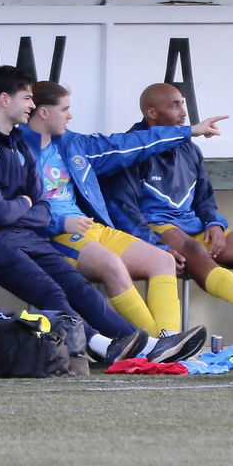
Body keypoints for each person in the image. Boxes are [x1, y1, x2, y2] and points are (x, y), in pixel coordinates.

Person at [0, 66, 204, 364]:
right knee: (51, 291)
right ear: (5, 100)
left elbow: (41, 210)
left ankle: (146, 345)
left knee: (78, 287)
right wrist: (24, 204)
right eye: (27, 98)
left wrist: (22, 207)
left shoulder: (19, 144)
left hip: (25, 235)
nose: (31, 106)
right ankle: (101, 345)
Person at [19, 80, 212, 357]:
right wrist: (60, 223)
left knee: (162, 259)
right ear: (44, 113)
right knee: (112, 265)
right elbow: (14, 208)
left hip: (93, 228)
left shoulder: (73, 144)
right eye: (65, 109)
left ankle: (168, 338)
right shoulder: (17, 151)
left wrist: (189, 132)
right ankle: (155, 347)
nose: (70, 115)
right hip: (54, 237)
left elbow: (131, 143)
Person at [102, 83, 233, 340]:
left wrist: (213, 222)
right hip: (155, 228)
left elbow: (204, 197)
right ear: (151, 112)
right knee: (192, 249)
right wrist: (153, 246)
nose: (183, 111)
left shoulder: (190, 148)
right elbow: (125, 210)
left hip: (191, 225)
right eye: (174, 105)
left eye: (182, 103)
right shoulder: (133, 148)